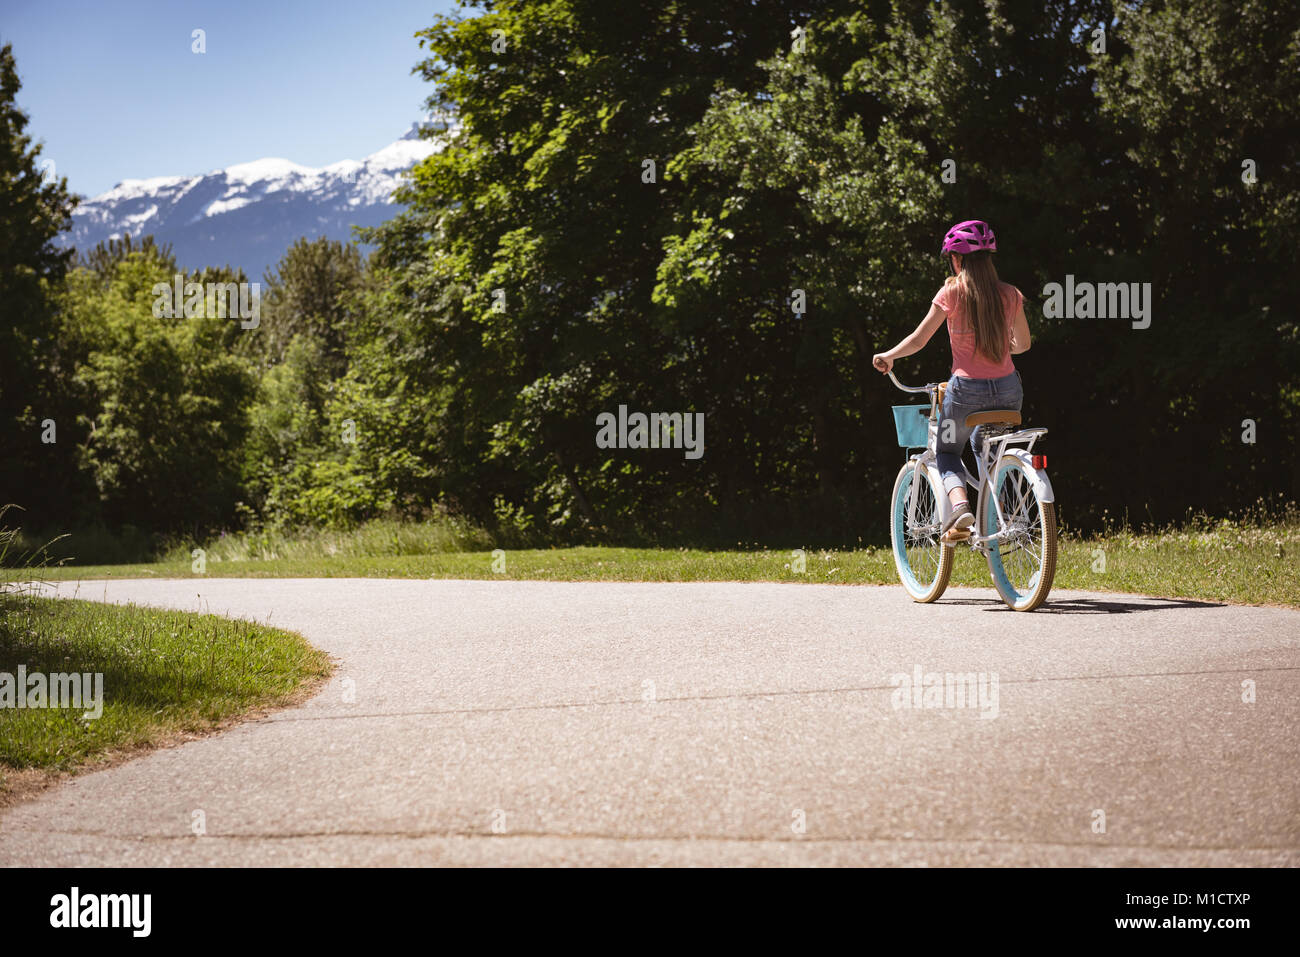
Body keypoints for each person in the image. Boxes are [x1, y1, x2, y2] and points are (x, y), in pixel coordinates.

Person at [871, 220, 1032, 542]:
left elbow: (918, 340)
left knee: (946, 451)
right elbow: (1023, 345)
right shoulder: (1011, 294)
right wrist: (1001, 345)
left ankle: (961, 509)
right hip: (1009, 391)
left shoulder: (952, 293)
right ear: (989, 259)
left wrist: (888, 356)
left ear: (956, 259)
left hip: (965, 393)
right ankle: (998, 507)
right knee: (985, 447)